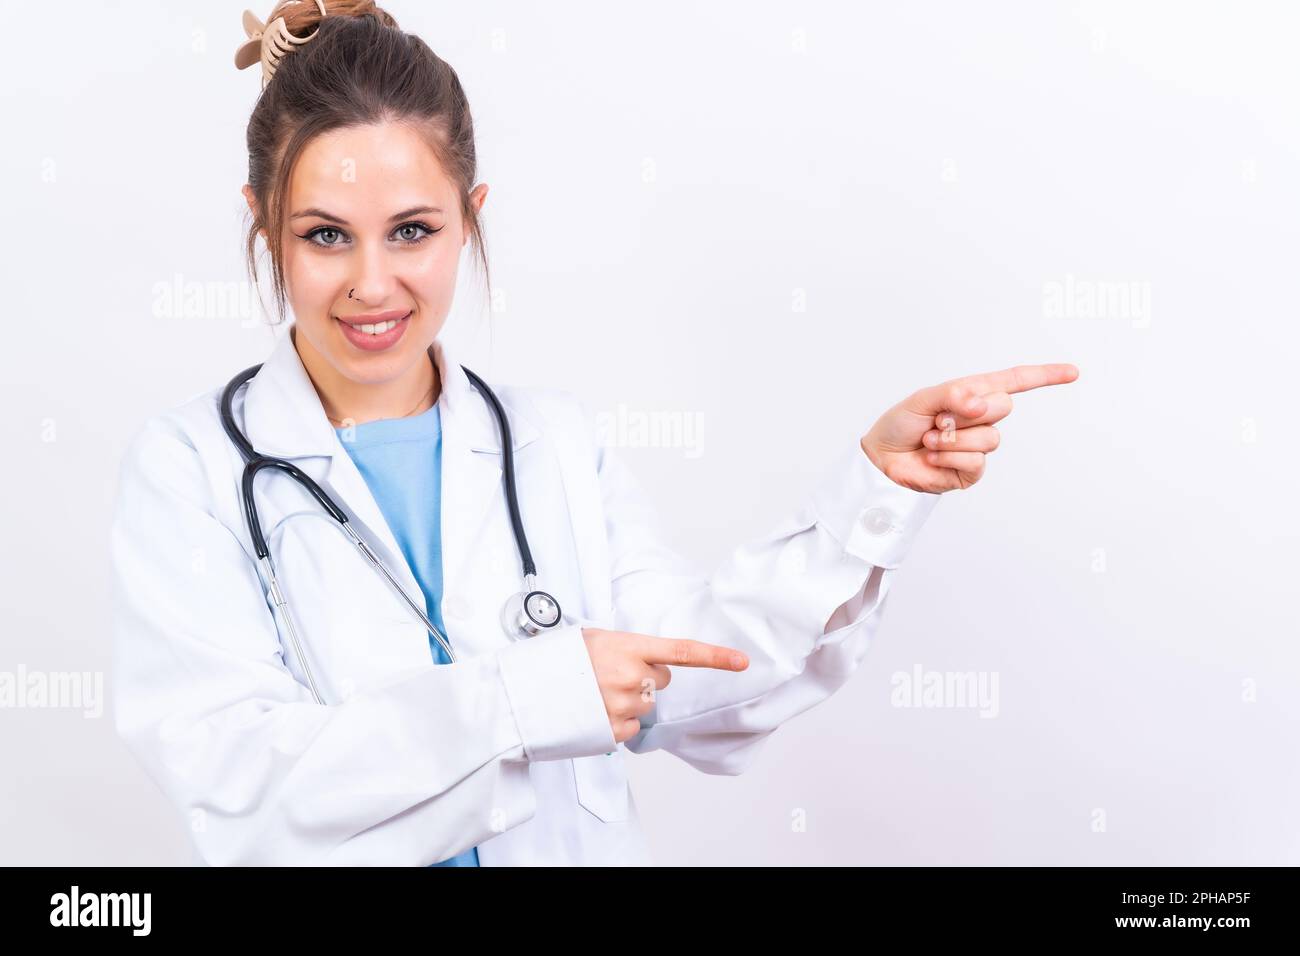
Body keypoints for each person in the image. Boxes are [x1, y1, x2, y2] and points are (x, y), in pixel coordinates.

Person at [109, 0, 1079, 866]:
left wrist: (875, 490)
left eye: (412, 230)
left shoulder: (551, 442)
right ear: (264, 222)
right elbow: (241, 795)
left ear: (468, 219)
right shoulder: (190, 468)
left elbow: (697, 676)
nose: (371, 282)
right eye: (325, 234)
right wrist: (530, 699)